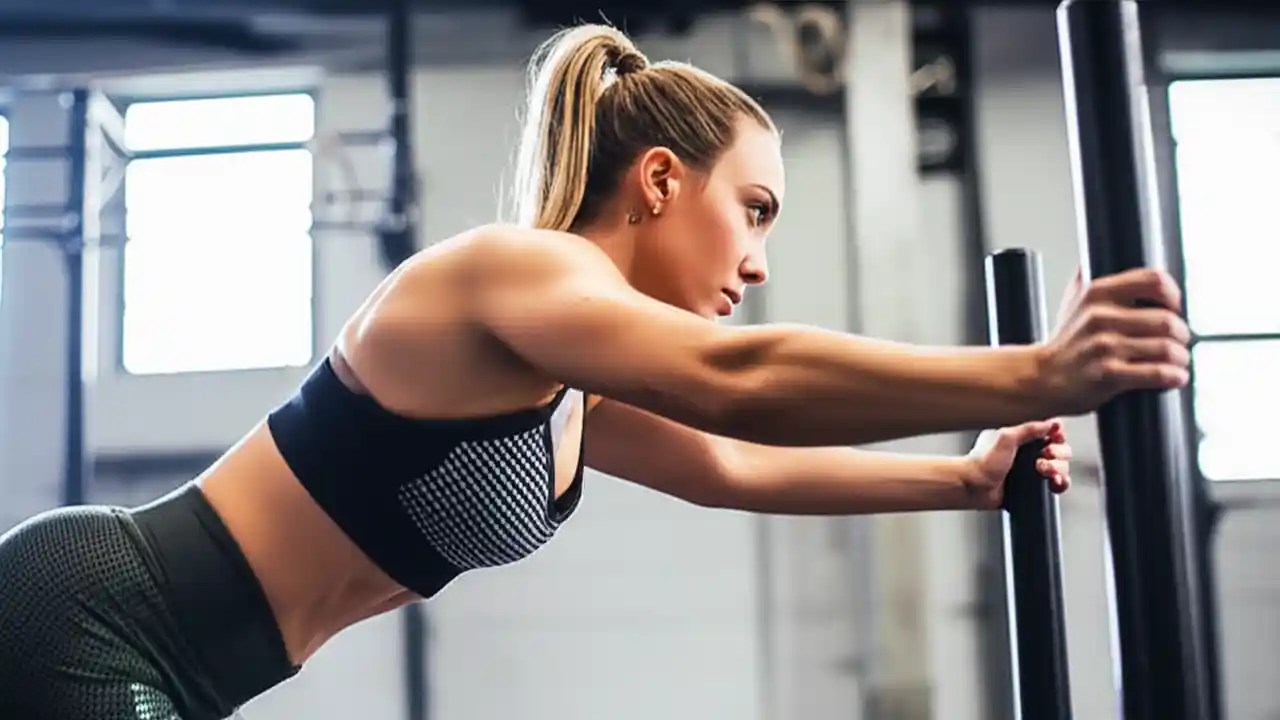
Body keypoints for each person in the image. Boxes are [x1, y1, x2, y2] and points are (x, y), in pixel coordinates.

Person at [0, 22, 1189, 720]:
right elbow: (740, 379)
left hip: (208, 674)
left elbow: (728, 463)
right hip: (98, 615)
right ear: (661, 181)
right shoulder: (508, 279)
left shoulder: (568, 384)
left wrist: (963, 483)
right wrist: (1036, 371)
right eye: (754, 210)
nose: (759, 261)